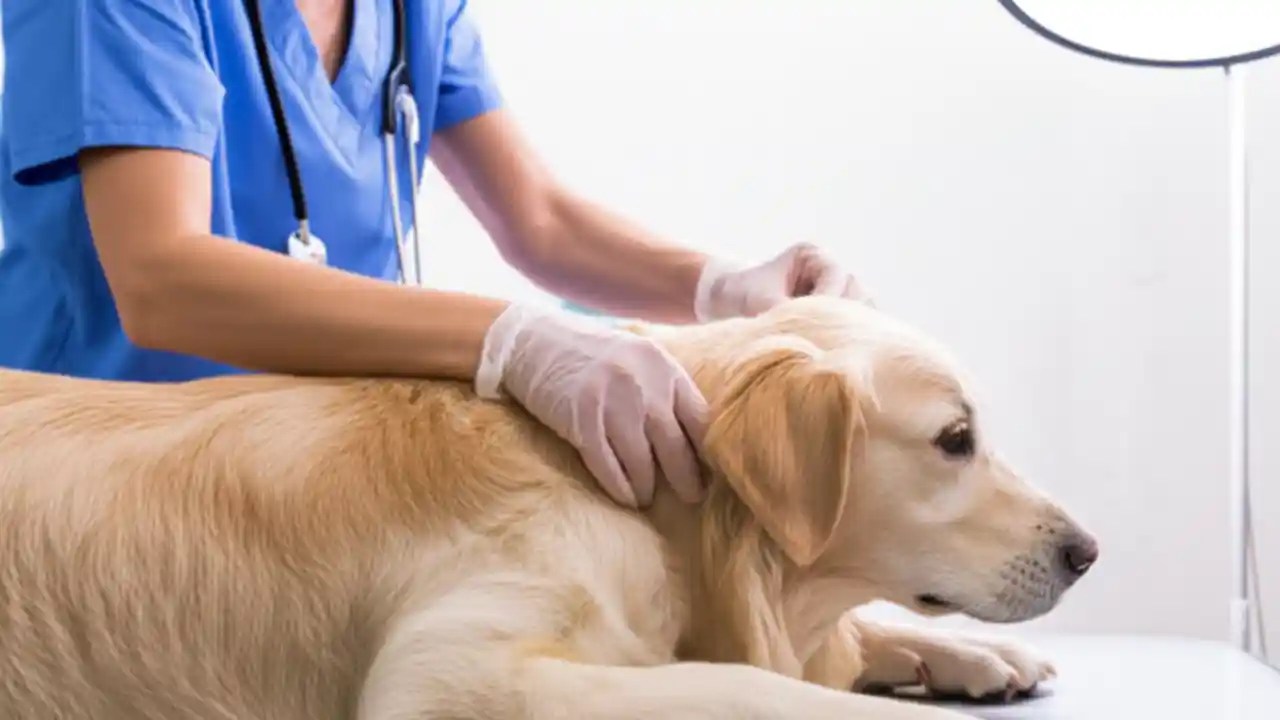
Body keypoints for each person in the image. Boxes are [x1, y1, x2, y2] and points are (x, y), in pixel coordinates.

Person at [0, 0, 866, 510]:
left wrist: (722, 287)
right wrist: (510, 343)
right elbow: (162, 279)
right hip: (103, 476)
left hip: (312, 471)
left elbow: (540, 222)